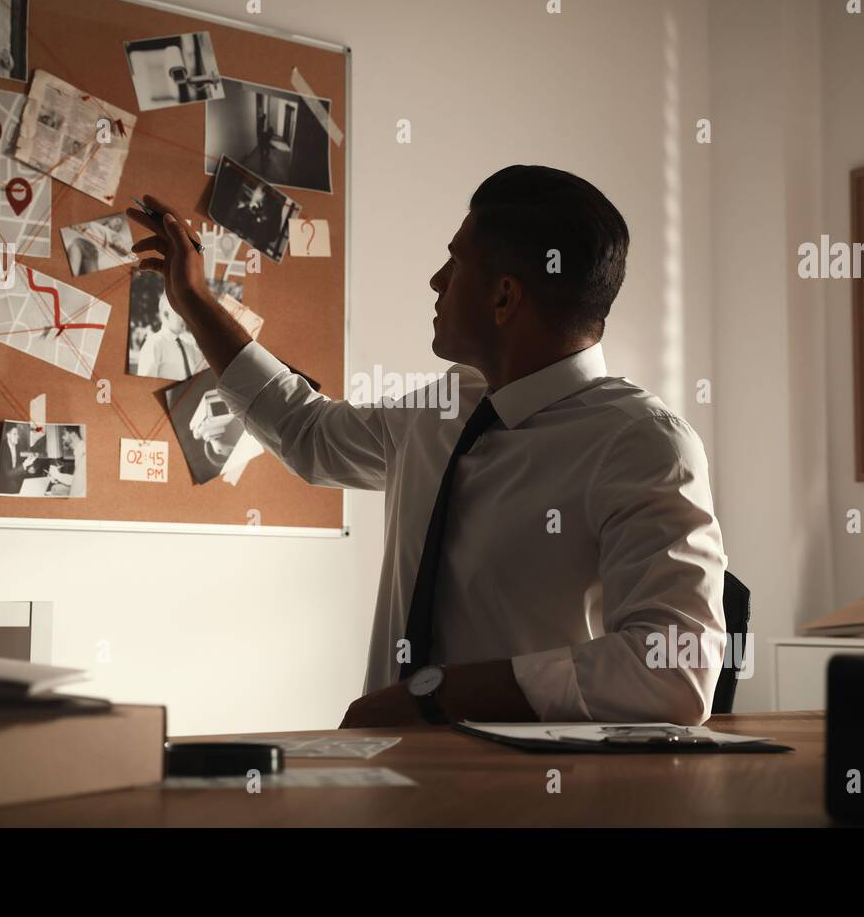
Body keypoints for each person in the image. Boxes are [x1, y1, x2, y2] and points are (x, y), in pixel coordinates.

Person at [128, 166, 727, 728]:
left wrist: (433, 697)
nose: (436, 281)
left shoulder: (642, 444)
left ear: (504, 297)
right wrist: (195, 302)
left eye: (454, 262)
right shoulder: (444, 407)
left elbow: (672, 670)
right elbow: (308, 434)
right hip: (392, 783)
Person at [136, 291, 206, 380]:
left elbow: (203, 371)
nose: (186, 317)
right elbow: (145, 384)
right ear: (166, 315)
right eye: (181, 313)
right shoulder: (154, 344)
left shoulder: (189, 345)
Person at [0, 422, 41, 494]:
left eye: (18, 434)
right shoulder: (2, 448)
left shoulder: (17, 446)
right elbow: (8, 474)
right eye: (15, 434)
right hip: (3, 485)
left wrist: (28, 469)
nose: (18, 436)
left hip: (15, 481)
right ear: (8, 435)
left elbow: (18, 464)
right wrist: (25, 465)